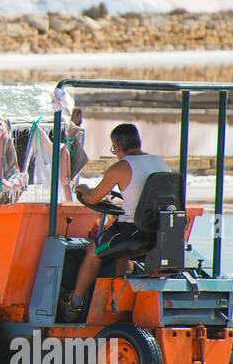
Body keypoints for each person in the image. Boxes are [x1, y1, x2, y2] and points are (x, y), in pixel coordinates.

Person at [68, 122, 169, 313]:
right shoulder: (160, 163)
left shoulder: (121, 167)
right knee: (120, 251)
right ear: (138, 142)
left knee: (94, 250)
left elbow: (92, 198)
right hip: (159, 232)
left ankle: (75, 304)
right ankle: (120, 305)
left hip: (133, 231)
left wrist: (82, 188)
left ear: (116, 147)